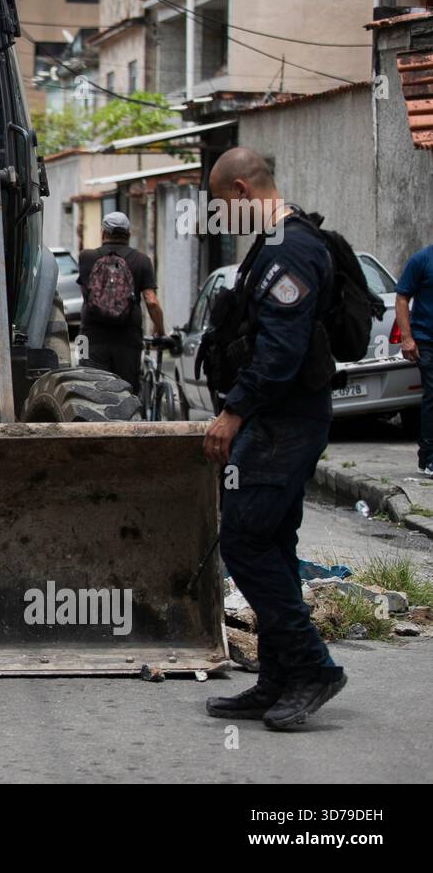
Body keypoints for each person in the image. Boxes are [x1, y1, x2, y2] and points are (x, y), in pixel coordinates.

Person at [201, 147, 346, 731]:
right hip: (280, 421)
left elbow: (281, 352)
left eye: (219, 207)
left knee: (244, 540)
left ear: (240, 191)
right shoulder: (275, 247)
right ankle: (279, 677)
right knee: (274, 544)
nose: (219, 218)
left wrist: (234, 413)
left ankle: (313, 667)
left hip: (284, 423)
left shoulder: (292, 250)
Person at [77, 212, 166, 392]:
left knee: (90, 388)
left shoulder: (86, 257)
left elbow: (86, 295)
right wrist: (160, 329)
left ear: (103, 233)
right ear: (128, 234)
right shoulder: (142, 261)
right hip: (128, 338)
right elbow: (151, 301)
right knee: (126, 390)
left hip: (90, 336)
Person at [394, 244, 433, 475]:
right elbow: (401, 298)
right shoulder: (421, 260)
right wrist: (407, 338)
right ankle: (429, 457)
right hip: (427, 340)